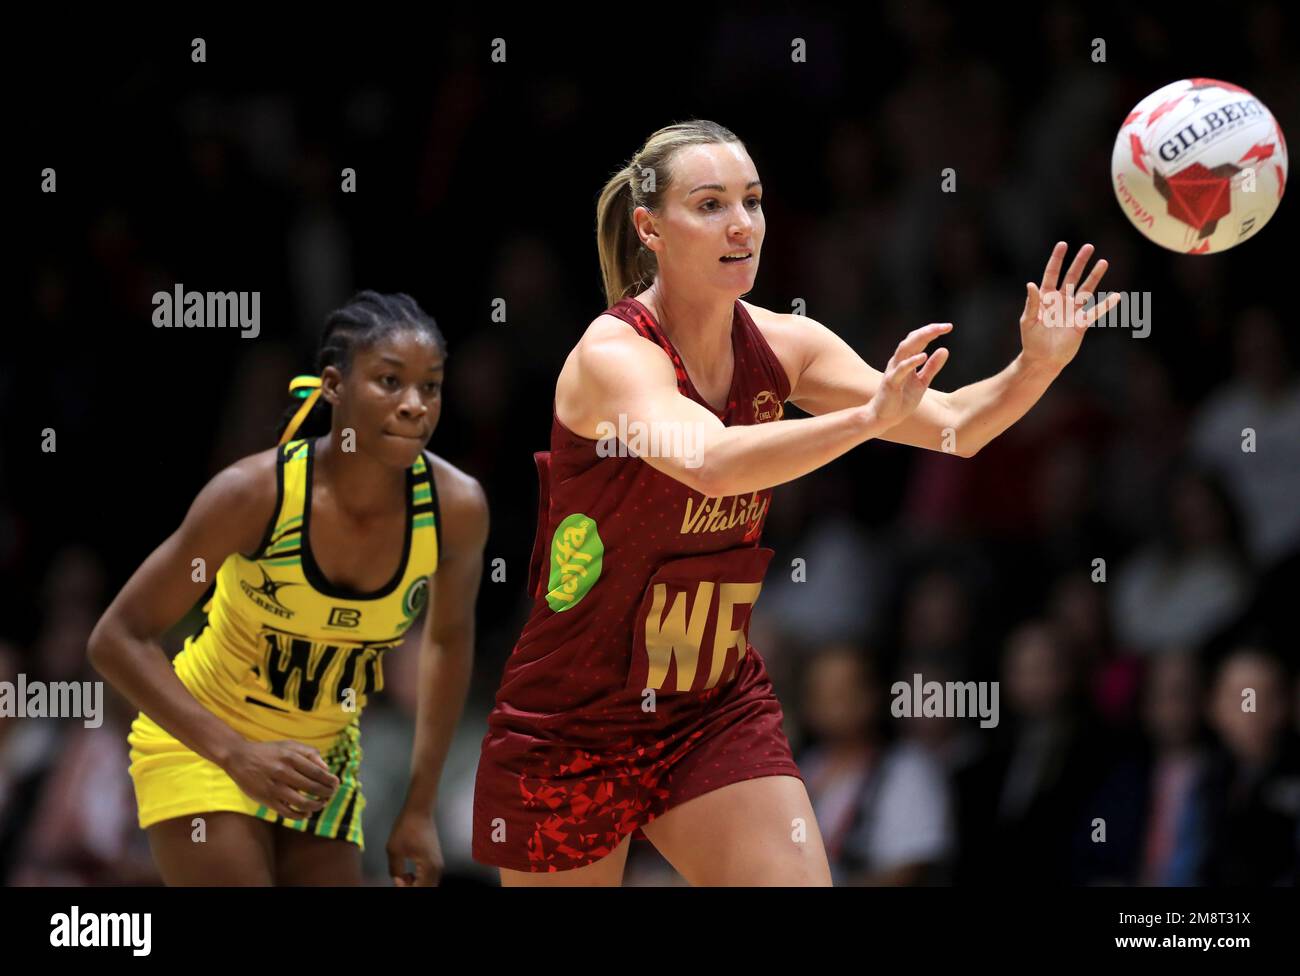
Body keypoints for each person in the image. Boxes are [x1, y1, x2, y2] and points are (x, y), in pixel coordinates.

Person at [472, 119, 1118, 886]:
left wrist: (1034, 367)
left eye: (752, 200)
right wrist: (868, 419)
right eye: (709, 205)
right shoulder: (612, 356)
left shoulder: (788, 344)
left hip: (708, 706)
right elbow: (709, 462)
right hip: (574, 716)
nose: (741, 223)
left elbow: (955, 430)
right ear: (650, 227)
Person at [89, 291, 488, 886]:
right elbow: (116, 639)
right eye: (388, 381)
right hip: (205, 744)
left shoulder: (455, 509)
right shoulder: (253, 495)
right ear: (333, 386)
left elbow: (446, 644)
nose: (414, 405)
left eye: (429, 387)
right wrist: (234, 753)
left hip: (319, 762)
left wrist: (419, 807)